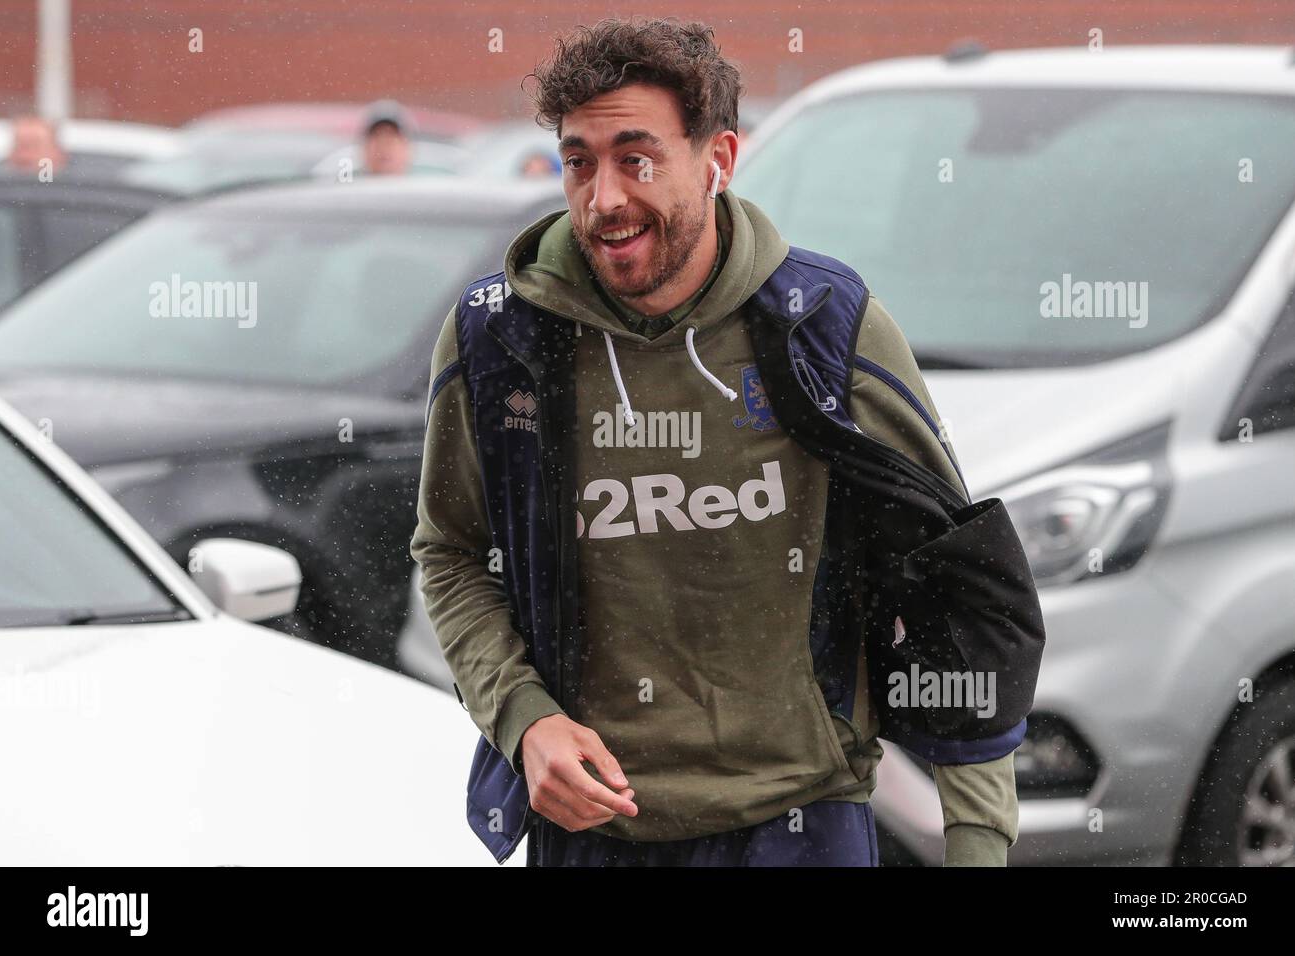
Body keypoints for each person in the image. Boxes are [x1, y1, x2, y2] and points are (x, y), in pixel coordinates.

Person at [411, 17, 1032, 867]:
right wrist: (524, 720)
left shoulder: (823, 325)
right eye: (578, 161)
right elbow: (449, 553)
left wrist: (977, 841)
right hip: (595, 832)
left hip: (800, 824)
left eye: (637, 158)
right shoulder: (501, 339)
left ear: (720, 159)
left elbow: (957, 583)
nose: (603, 200)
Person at [0, 115, 66, 177]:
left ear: (55, 152)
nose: (24, 155)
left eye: (34, 146)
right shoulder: (1, 179)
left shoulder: (73, 183)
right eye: (20, 146)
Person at [360, 99, 412, 176]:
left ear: (406, 147)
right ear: (365, 147)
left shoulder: (428, 185)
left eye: (391, 139)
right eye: (377, 137)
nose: (383, 146)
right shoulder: (345, 185)